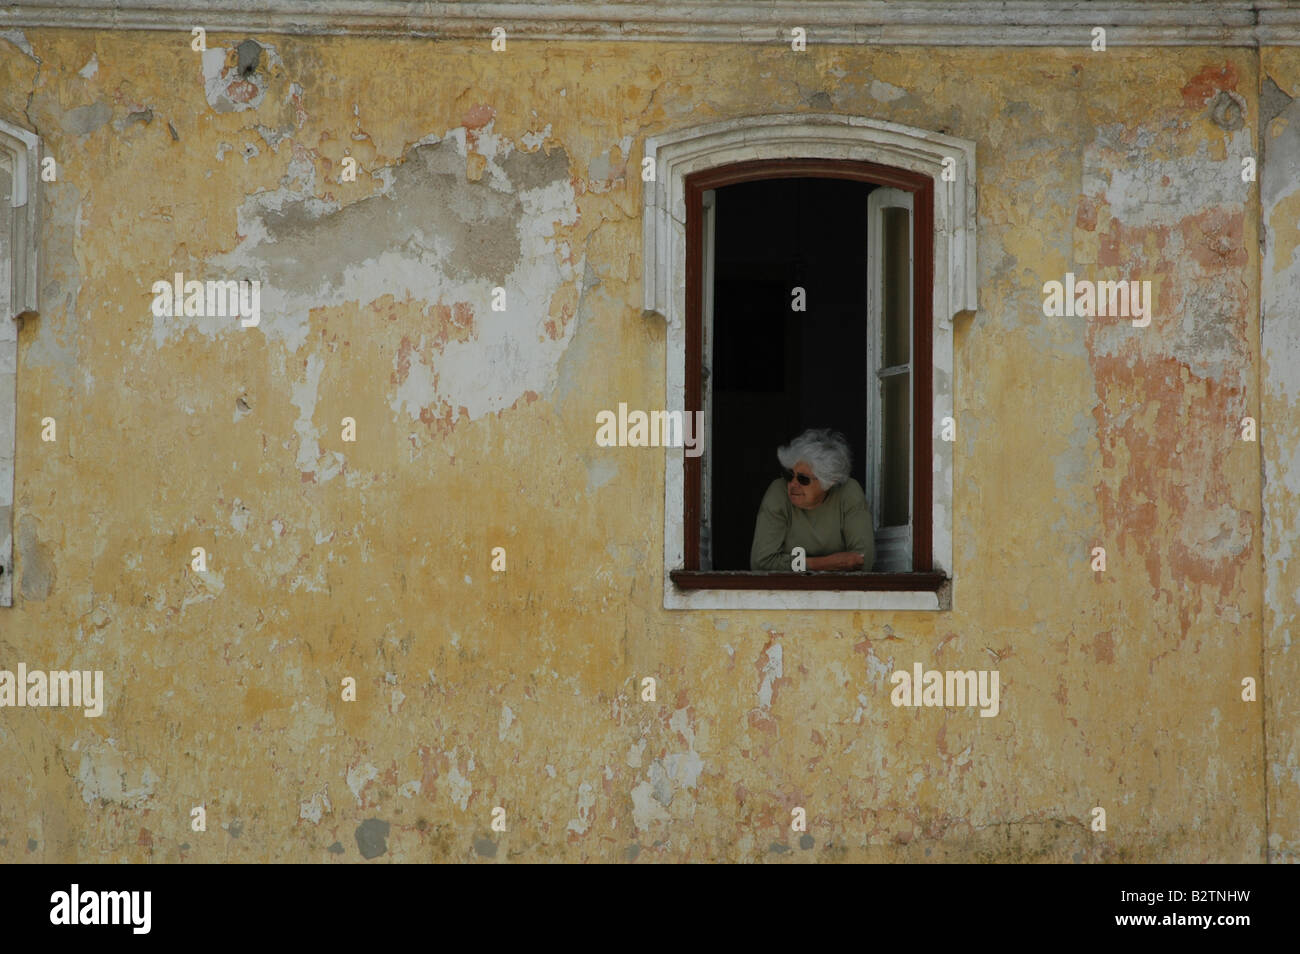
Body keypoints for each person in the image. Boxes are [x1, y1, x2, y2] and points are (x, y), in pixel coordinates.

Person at [749, 428, 874, 571]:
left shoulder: (848, 493)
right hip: (787, 591)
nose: (792, 484)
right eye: (789, 475)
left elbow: (862, 560)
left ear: (829, 482)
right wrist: (826, 563)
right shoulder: (778, 492)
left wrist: (793, 565)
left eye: (803, 479)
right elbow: (761, 563)